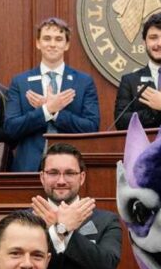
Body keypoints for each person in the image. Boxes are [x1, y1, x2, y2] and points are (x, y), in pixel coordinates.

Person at [30, 142, 121, 269]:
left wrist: (66, 231)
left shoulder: (106, 220)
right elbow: (27, 265)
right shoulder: (22, 220)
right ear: (42, 177)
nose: (61, 180)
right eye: (53, 173)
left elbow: (105, 265)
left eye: (69, 173)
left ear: (82, 177)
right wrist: (60, 229)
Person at [6, 15, 101, 173]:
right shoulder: (20, 82)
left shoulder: (83, 82)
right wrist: (46, 110)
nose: (52, 44)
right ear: (38, 43)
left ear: (67, 44)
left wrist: (56, 113)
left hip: (71, 169)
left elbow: (91, 128)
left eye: (58, 39)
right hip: (29, 168)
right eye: (47, 38)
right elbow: (11, 128)